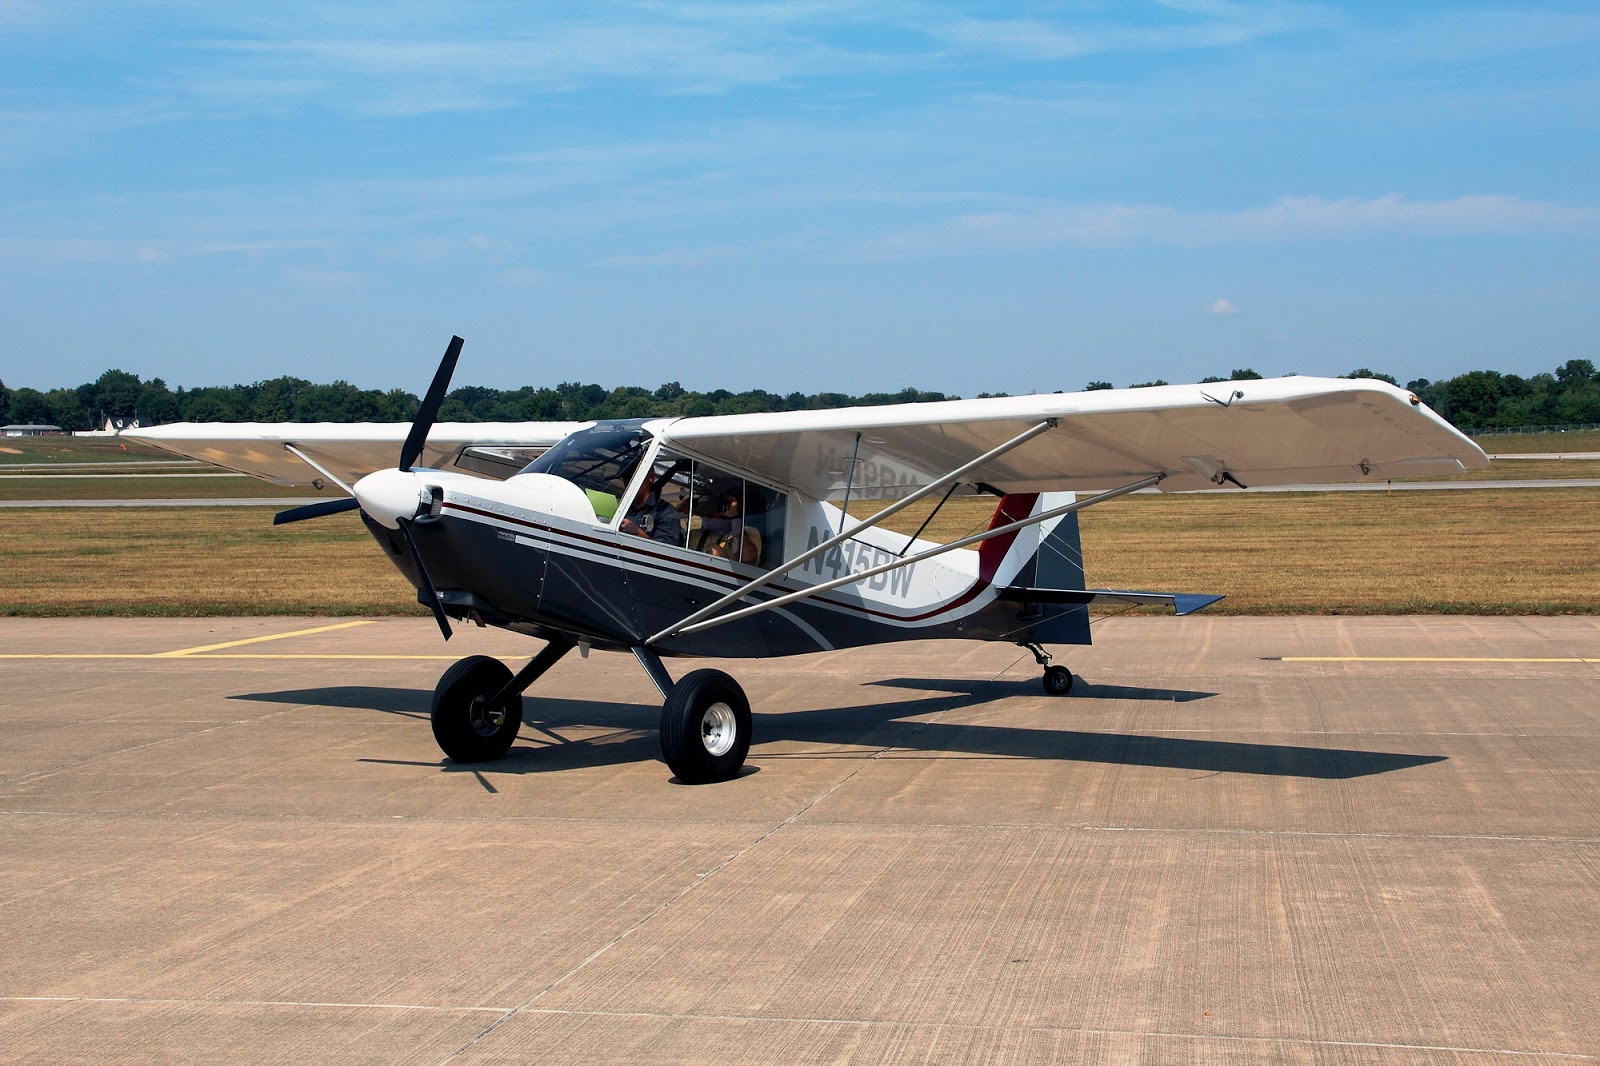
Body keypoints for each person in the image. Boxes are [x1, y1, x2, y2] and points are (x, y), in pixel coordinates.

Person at [619, 468, 683, 545]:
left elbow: (665, 551)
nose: (630, 482)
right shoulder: (622, 507)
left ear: (651, 478)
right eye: (626, 478)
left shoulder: (666, 512)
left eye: (636, 477)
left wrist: (637, 532)